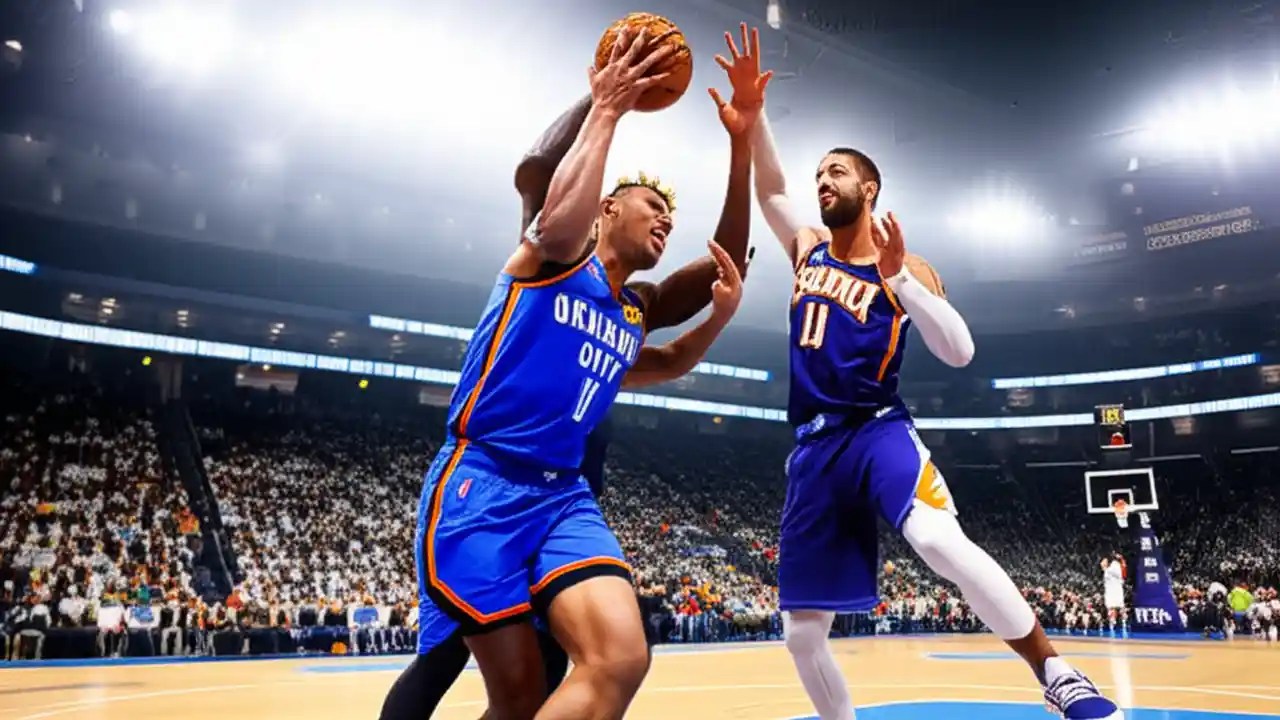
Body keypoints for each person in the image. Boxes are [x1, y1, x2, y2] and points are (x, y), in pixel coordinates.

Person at [378, 24, 764, 720]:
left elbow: (720, 272)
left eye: (671, 217)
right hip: (483, 481)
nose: (666, 221)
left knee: (620, 659)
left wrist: (742, 144)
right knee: (513, 694)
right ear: (608, 207)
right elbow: (540, 174)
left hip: (562, 495)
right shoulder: (555, 257)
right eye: (655, 207)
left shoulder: (634, 311)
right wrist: (605, 103)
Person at [746, 34, 1123, 720]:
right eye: (818, 174)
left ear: (869, 188)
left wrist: (900, 282)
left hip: (874, 431)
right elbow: (770, 189)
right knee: (801, 636)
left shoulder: (907, 266)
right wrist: (753, 119)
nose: (822, 181)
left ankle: (1058, 673)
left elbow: (960, 351)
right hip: (811, 449)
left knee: (936, 539)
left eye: (836, 172)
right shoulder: (808, 249)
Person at [1101, 556, 1126, 635]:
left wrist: (1121, 559)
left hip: (1116, 591)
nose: (1102, 562)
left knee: (1120, 608)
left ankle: (1123, 623)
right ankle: (1113, 624)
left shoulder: (1114, 566)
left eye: (1104, 561)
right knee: (1112, 609)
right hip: (1111, 591)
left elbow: (1121, 573)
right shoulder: (1109, 570)